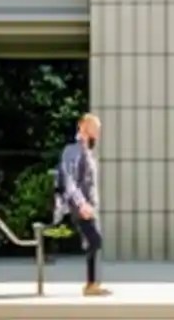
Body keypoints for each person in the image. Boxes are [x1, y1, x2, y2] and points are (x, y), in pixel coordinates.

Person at [58, 113, 109, 297]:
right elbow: (70, 181)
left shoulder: (86, 150)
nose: (97, 131)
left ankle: (91, 284)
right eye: (94, 127)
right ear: (83, 127)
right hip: (79, 206)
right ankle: (90, 284)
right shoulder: (73, 150)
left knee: (93, 242)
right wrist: (81, 204)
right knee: (95, 240)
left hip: (89, 205)